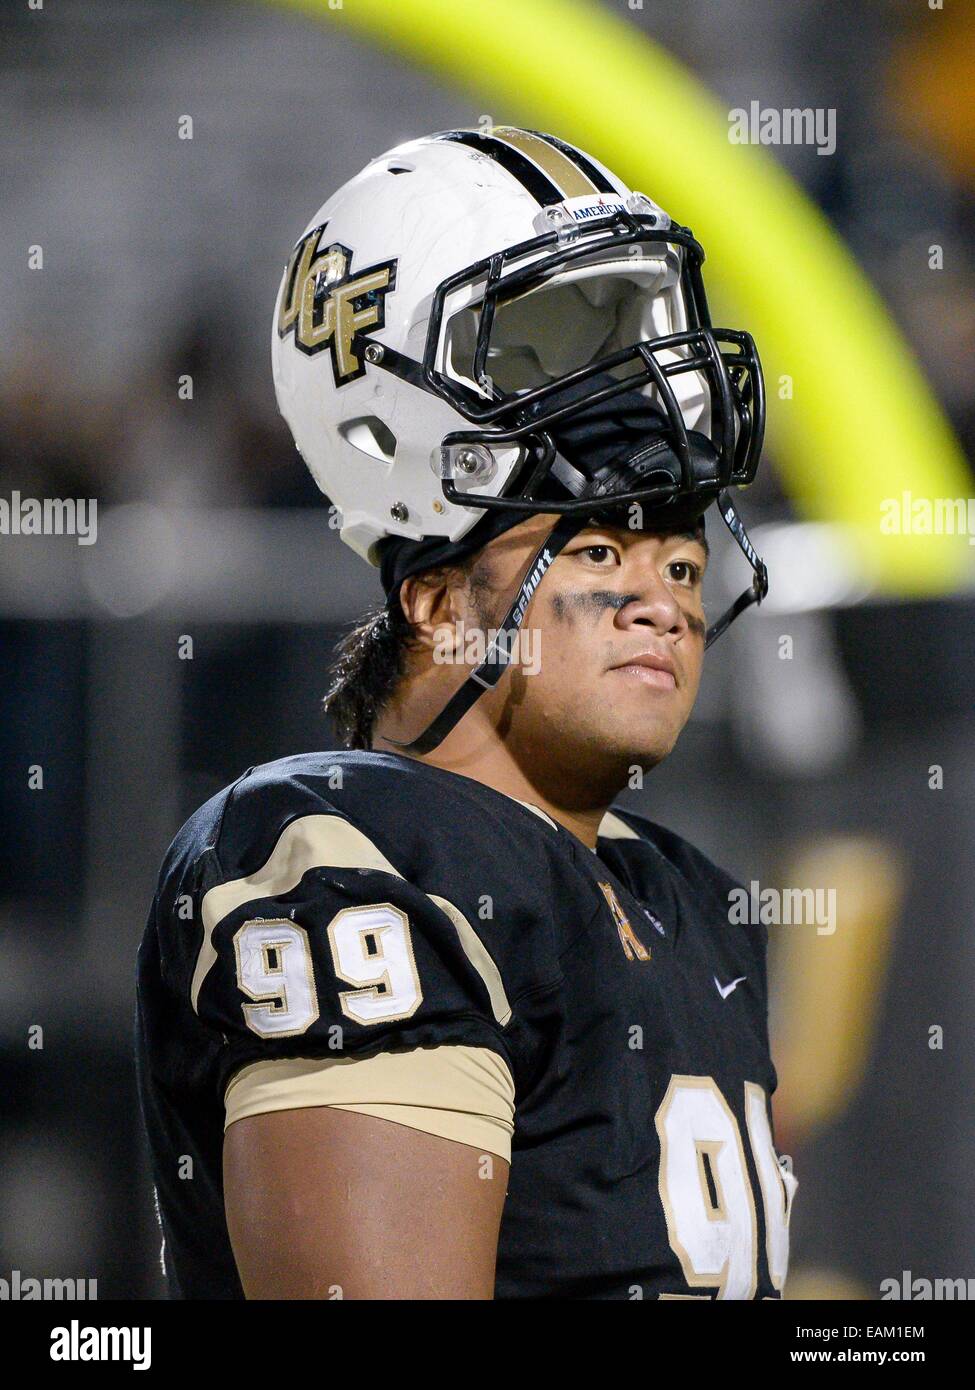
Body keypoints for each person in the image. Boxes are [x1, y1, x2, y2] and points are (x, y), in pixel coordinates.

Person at [136, 125, 795, 1299]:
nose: (662, 608)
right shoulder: (351, 861)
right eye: (599, 550)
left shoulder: (689, 892)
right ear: (437, 600)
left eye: (682, 565)